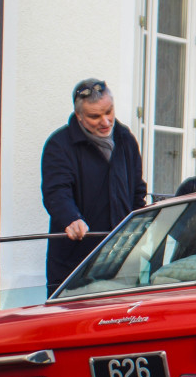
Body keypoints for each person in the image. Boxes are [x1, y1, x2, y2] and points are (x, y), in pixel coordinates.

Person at [41, 78, 147, 289]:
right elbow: (56, 192)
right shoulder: (59, 145)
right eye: (95, 116)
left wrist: (141, 230)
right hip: (75, 264)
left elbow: (137, 191)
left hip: (122, 261)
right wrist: (71, 219)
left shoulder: (126, 138)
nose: (106, 122)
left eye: (109, 111)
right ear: (79, 116)